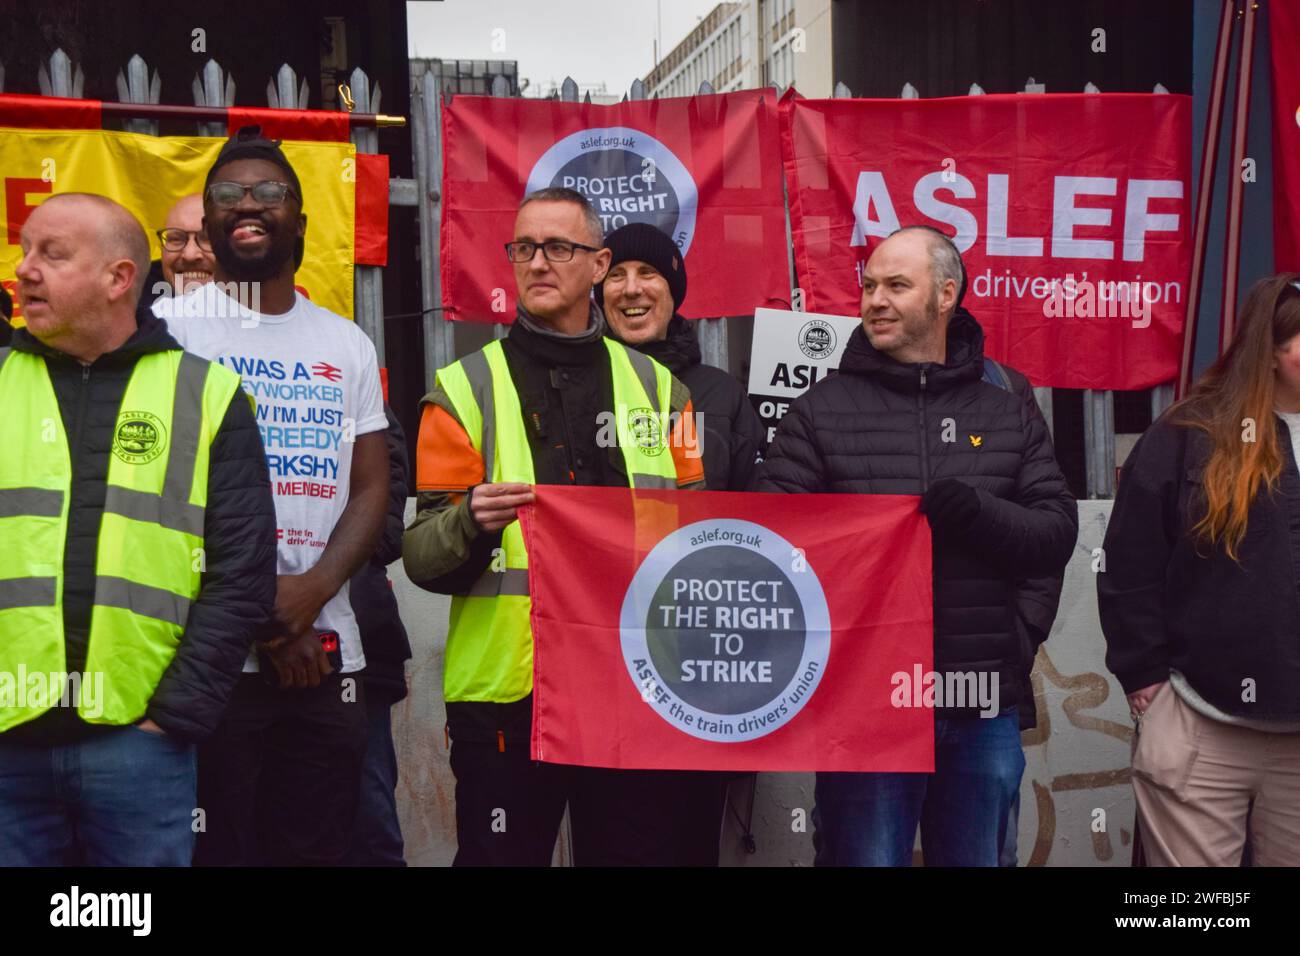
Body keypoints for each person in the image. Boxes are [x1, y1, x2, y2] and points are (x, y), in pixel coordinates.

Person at [403, 187, 707, 866]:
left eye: (558, 248)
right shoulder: (460, 391)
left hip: (634, 691)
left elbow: (699, 545)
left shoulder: (664, 394)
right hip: (508, 704)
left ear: (599, 265)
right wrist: (471, 523)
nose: (537, 263)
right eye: (524, 248)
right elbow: (421, 557)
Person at [759, 225, 1077, 866]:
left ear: (946, 295)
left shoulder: (1008, 403)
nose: (875, 299)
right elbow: (770, 546)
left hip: (979, 698)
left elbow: (1053, 534)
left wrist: (1013, 632)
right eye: (869, 285)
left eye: (896, 285)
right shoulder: (820, 410)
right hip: (865, 704)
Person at [0, 192, 276, 866]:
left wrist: (171, 719)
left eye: (51, 254)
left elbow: (241, 574)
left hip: (137, 748)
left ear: (119, 278)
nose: (24, 269)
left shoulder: (207, 394)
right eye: (25, 249)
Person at [154, 126, 390, 866]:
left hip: (327, 660)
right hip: (209, 657)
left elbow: (373, 483)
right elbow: (160, 489)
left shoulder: (346, 342)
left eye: (267, 192)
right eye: (227, 193)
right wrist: (262, 613)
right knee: (216, 851)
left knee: (314, 849)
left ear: (301, 220)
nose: (245, 204)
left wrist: (315, 589)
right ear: (210, 221)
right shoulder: (167, 332)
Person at [1099, 273, 1300, 867]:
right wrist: (1147, 686)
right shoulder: (1188, 435)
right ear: (1270, 350)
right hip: (1200, 724)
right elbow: (1128, 565)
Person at [599, 222, 764, 491]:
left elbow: (757, 507)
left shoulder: (722, 394)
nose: (631, 289)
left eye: (647, 272)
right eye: (616, 275)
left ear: (672, 293)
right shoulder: (580, 382)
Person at [346, 397, 413, 866]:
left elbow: (386, 535)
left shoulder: (357, 387)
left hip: (359, 645)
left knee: (369, 826)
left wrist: (309, 583)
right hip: (241, 648)